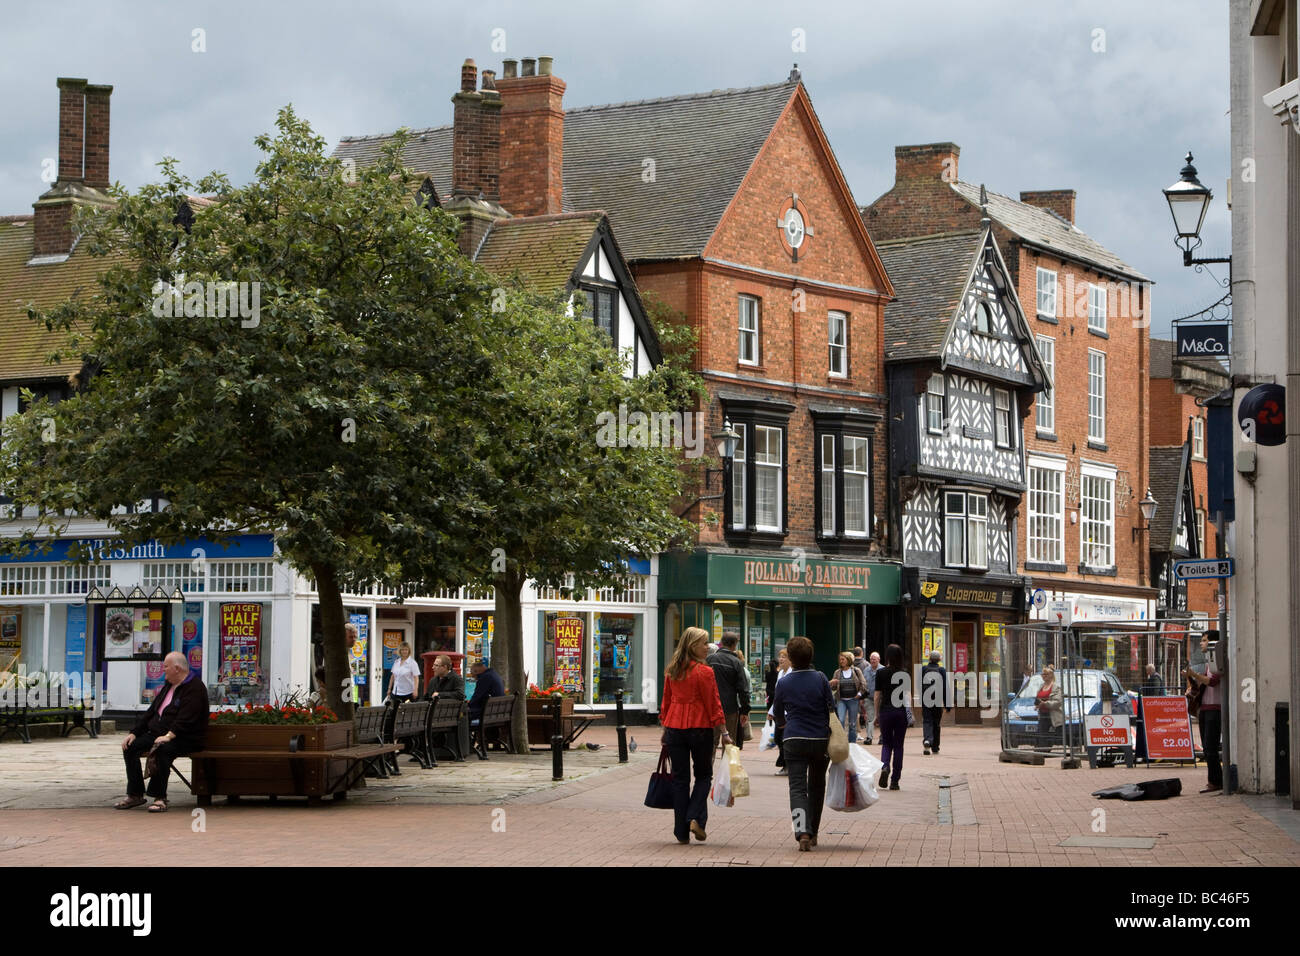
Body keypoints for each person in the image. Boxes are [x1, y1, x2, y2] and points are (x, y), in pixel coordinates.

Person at [659, 626, 731, 844]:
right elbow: (714, 704)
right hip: (700, 728)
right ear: (692, 646)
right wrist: (725, 732)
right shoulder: (705, 672)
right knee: (703, 776)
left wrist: (665, 729)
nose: (707, 648)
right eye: (703, 643)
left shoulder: (673, 670)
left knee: (680, 780)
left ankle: (681, 831)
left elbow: (666, 702)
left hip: (675, 728)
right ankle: (693, 817)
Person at [116, 652, 209, 813]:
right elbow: (152, 711)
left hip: (185, 737)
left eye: (166, 667)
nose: (163, 670)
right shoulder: (168, 685)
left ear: (177, 668)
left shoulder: (195, 688)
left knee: (162, 749)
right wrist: (135, 733)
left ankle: (160, 797)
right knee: (130, 747)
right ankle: (135, 794)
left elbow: (187, 719)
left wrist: (168, 736)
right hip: (159, 733)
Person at [770, 635, 834, 851]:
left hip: (794, 737)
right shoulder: (821, 678)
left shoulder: (784, 682)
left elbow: (778, 711)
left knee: (797, 788)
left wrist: (782, 725)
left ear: (791, 658)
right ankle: (814, 831)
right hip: (819, 739)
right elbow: (830, 706)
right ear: (810, 656)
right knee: (817, 786)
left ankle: (802, 831)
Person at [1184, 636, 1222, 793]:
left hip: (1215, 708)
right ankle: (1213, 780)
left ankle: (1217, 781)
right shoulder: (1208, 662)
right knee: (1207, 748)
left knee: (1210, 747)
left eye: (1205, 640)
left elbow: (1212, 682)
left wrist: (1193, 673)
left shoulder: (1218, 660)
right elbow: (1204, 685)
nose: (1201, 643)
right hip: (1205, 708)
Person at [873, 643, 910, 791]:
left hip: (886, 712)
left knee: (886, 743)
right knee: (899, 746)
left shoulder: (881, 673)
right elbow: (907, 696)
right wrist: (909, 713)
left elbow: (877, 696)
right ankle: (895, 780)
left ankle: (885, 766)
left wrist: (876, 714)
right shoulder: (905, 673)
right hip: (900, 713)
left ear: (887, 656)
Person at [707, 634, 748, 754]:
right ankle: (728, 771)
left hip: (712, 707)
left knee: (711, 742)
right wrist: (745, 710)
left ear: (721, 642)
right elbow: (743, 689)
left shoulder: (709, 660)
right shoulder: (736, 662)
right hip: (730, 707)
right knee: (730, 742)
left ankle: (707, 771)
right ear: (734, 645)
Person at [828, 651, 866, 744]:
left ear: (848, 660)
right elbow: (833, 688)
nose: (841, 661)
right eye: (840, 659)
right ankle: (842, 742)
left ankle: (852, 743)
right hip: (841, 700)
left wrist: (859, 694)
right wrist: (832, 683)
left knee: (852, 723)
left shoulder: (856, 671)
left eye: (843, 659)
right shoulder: (837, 672)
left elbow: (863, 684)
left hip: (853, 700)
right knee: (840, 720)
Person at [920, 650, 951, 755]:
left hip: (926, 700)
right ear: (939, 660)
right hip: (937, 701)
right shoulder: (941, 670)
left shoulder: (924, 669)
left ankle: (927, 740)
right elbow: (945, 687)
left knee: (927, 721)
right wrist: (947, 705)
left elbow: (919, 685)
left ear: (929, 658)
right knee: (936, 723)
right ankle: (935, 747)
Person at [770, 648, 792, 773]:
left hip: (788, 713)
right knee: (778, 739)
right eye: (780, 656)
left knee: (785, 739)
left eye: (784, 657)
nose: (781, 659)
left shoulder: (792, 673)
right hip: (779, 712)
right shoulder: (780, 673)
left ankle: (787, 766)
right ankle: (785, 764)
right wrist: (771, 711)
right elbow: (777, 694)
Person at [1035, 665, 1063, 746]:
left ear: (1051, 675)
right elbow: (1038, 698)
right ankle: (1043, 751)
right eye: (1042, 674)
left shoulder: (1056, 687)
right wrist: (1037, 705)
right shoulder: (1041, 686)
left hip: (1053, 715)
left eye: (1045, 674)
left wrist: (1045, 703)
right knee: (1042, 734)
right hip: (1042, 714)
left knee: (1056, 736)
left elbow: (1058, 702)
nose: (1043, 676)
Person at [861, 651, 881, 745]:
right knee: (870, 717)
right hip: (869, 698)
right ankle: (869, 737)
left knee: (882, 718)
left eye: (874, 659)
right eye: (871, 659)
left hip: (881, 699)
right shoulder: (866, 670)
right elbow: (863, 684)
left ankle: (883, 737)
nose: (872, 661)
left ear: (878, 660)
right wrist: (862, 697)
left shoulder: (883, 670)